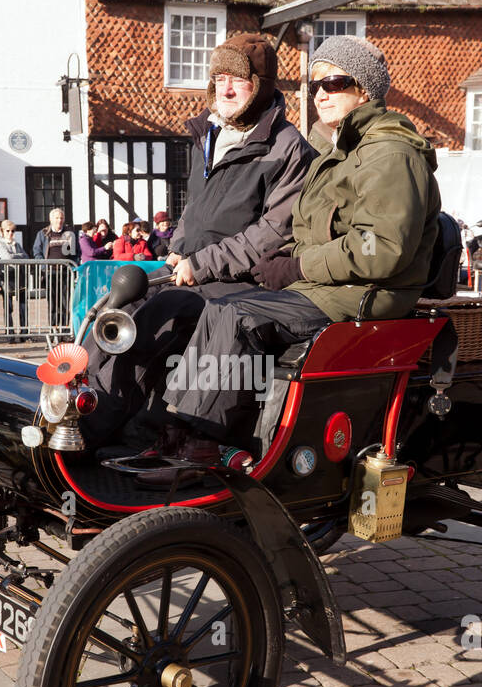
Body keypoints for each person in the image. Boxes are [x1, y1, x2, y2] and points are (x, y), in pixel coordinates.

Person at [152, 34, 440, 464]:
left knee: (237, 315)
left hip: (363, 296)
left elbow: (382, 248)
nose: (322, 93)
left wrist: (297, 266)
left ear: (365, 89)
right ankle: (177, 427)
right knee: (212, 306)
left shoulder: (389, 154)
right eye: (316, 84)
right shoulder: (339, 150)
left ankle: (204, 447)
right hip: (322, 287)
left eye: (336, 83)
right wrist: (281, 261)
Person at [82, 32, 315, 450]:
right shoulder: (209, 135)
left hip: (241, 281)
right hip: (194, 271)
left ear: (260, 86)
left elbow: (273, 232)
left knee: (159, 315)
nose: (224, 88)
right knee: (119, 309)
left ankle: (104, 433)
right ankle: (82, 413)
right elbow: (196, 208)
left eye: (238, 80)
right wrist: (178, 247)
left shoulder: (288, 147)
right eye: (219, 76)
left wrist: (201, 263)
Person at [0, 220, 28, 340]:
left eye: (13, 231)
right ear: (2, 231)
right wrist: (18, 256)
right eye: (8, 231)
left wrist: (16, 256)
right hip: (6, 277)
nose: (10, 233)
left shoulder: (16, 244)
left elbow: (26, 256)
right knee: (8, 306)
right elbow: (7, 257)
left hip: (19, 276)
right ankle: (10, 334)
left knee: (23, 305)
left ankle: (25, 333)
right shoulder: (0, 243)